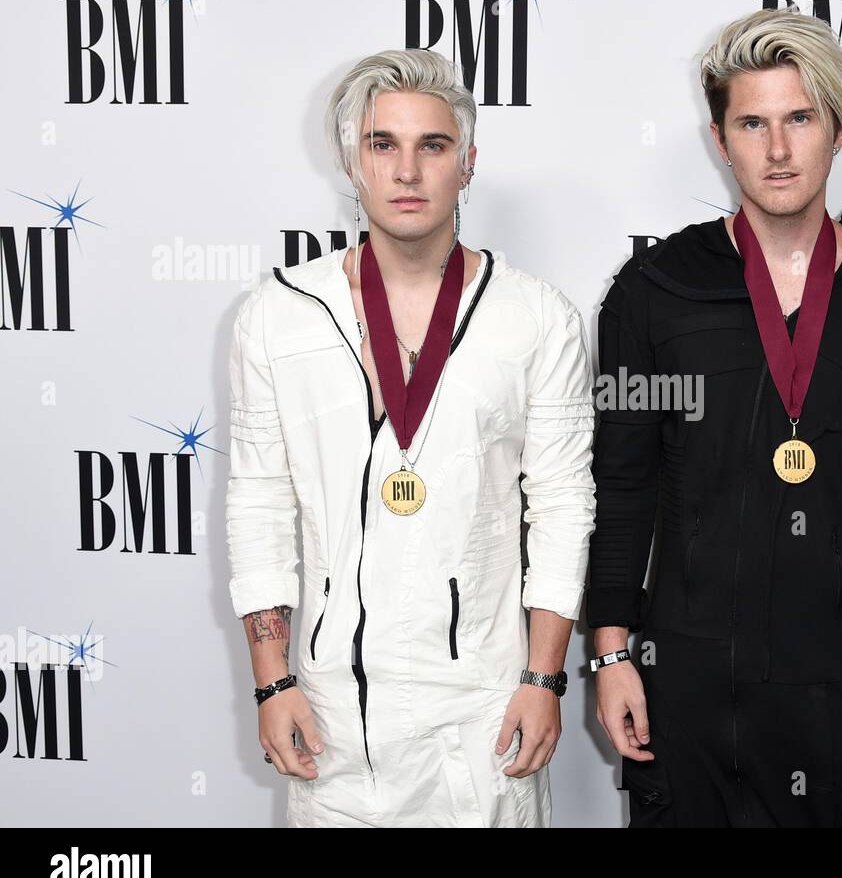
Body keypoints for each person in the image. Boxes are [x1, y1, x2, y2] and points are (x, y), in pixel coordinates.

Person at [587, 8, 842, 827]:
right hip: (687, 696)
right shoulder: (653, 291)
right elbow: (621, 485)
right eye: (752, 123)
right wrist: (612, 650)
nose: (779, 149)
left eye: (800, 118)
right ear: (720, 140)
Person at [226, 48, 595, 827]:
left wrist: (544, 678)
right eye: (381, 144)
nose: (406, 171)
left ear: (467, 164)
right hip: (333, 723)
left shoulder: (535, 317)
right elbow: (259, 501)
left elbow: (562, 506)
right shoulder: (279, 314)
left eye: (432, 145)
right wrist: (271, 679)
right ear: (350, 163)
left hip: (486, 716)